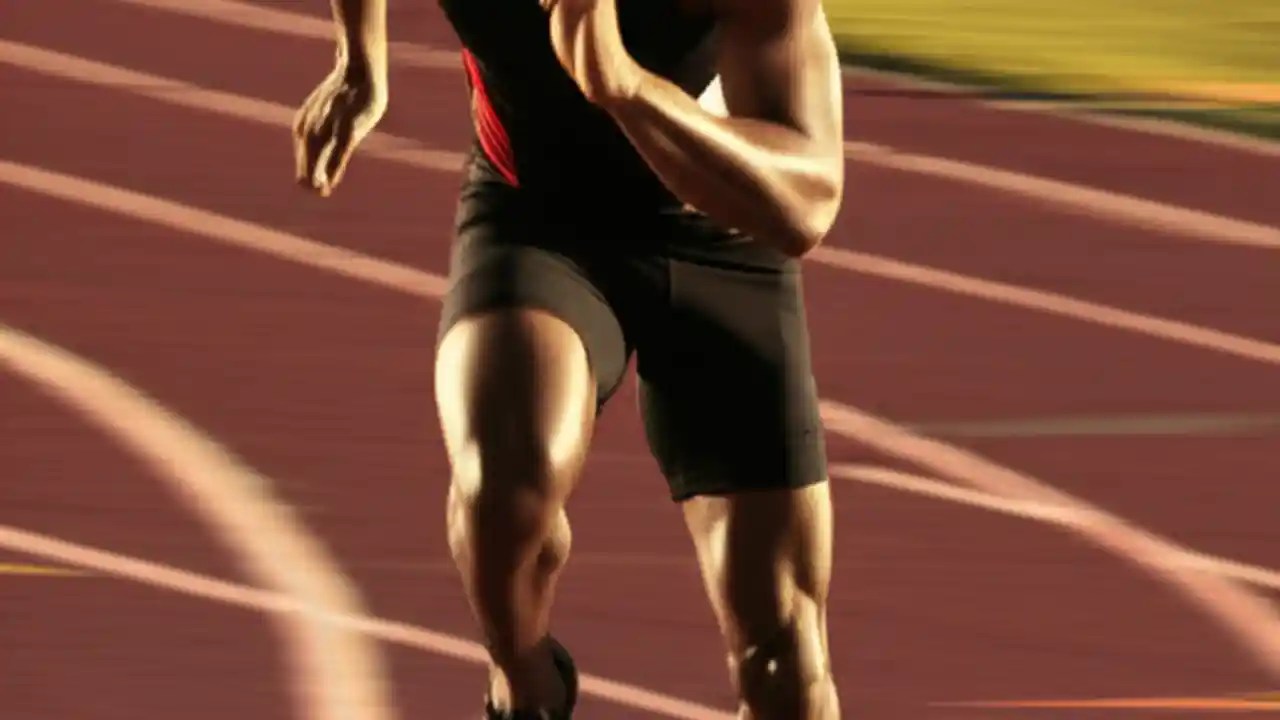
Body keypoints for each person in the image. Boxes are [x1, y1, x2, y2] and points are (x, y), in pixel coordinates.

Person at [292, 0, 845, 716]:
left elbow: (808, 201)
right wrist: (361, 62)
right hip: (539, 214)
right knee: (502, 489)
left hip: (718, 219)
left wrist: (620, 83)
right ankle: (523, 681)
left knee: (785, 667)